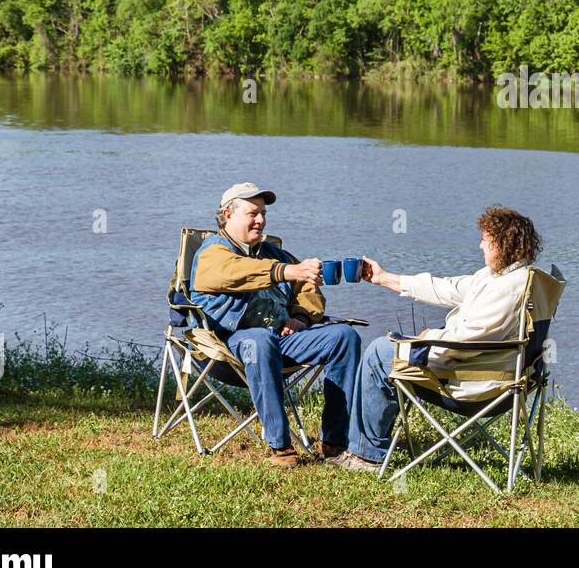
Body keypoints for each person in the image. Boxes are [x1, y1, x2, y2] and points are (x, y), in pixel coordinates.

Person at [330, 205, 541, 472]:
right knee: (389, 350)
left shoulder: (508, 287)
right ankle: (367, 445)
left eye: (486, 241)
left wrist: (429, 340)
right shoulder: (507, 276)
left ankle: (365, 456)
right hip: (492, 370)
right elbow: (446, 289)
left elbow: (468, 339)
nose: (480, 246)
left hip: (477, 383)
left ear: (503, 244)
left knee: (379, 353)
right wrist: (384, 278)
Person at [189, 182, 362, 468]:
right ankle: (280, 447)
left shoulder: (272, 252)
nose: (260, 220)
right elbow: (235, 272)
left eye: (263, 213)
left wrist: (301, 317)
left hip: (282, 340)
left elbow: (309, 290)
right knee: (259, 340)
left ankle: (334, 442)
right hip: (231, 346)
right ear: (227, 214)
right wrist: (286, 271)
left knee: (344, 336)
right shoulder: (213, 252)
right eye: (252, 213)